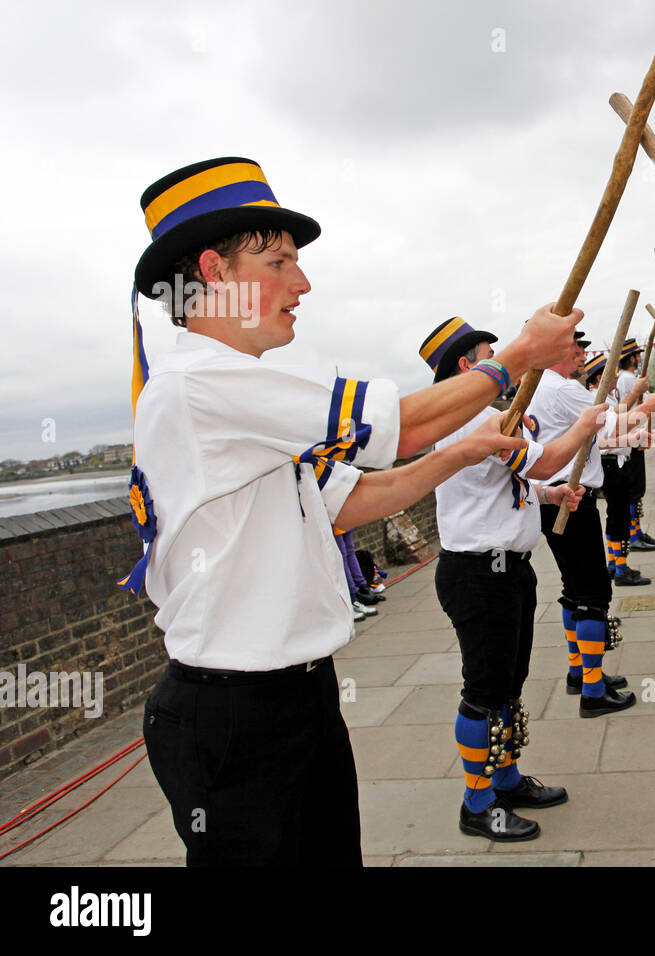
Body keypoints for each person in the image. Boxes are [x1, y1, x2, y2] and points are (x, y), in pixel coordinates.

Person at [126, 157, 579, 866]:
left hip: (296, 694)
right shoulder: (199, 382)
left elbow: (354, 500)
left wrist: (459, 456)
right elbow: (390, 424)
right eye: (279, 262)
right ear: (213, 272)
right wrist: (517, 357)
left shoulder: (247, 395)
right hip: (233, 713)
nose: (301, 284)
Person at [423, 317, 605, 841]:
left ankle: (504, 777)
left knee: (507, 682)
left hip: (505, 569)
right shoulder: (473, 422)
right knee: (484, 688)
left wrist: (549, 496)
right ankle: (477, 802)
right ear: (467, 365)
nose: (500, 362)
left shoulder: (488, 418)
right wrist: (586, 424)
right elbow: (546, 458)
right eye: (489, 353)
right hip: (478, 572)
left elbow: (514, 481)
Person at [531, 334, 655, 715]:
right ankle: (592, 690)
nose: (580, 353)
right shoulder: (561, 389)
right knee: (593, 593)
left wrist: (631, 432)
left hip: (556, 496)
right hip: (571, 498)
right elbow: (606, 423)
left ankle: (579, 671)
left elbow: (590, 438)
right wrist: (646, 407)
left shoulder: (540, 388)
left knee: (573, 588)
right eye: (573, 346)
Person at [614, 339, 655, 553]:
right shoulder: (626, 380)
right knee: (633, 490)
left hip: (635, 436)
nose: (640, 358)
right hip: (630, 439)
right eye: (638, 355)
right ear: (631, 358)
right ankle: (632, 536)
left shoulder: (629, 378)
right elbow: (623, 410)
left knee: (638, 489)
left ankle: (637, 530)